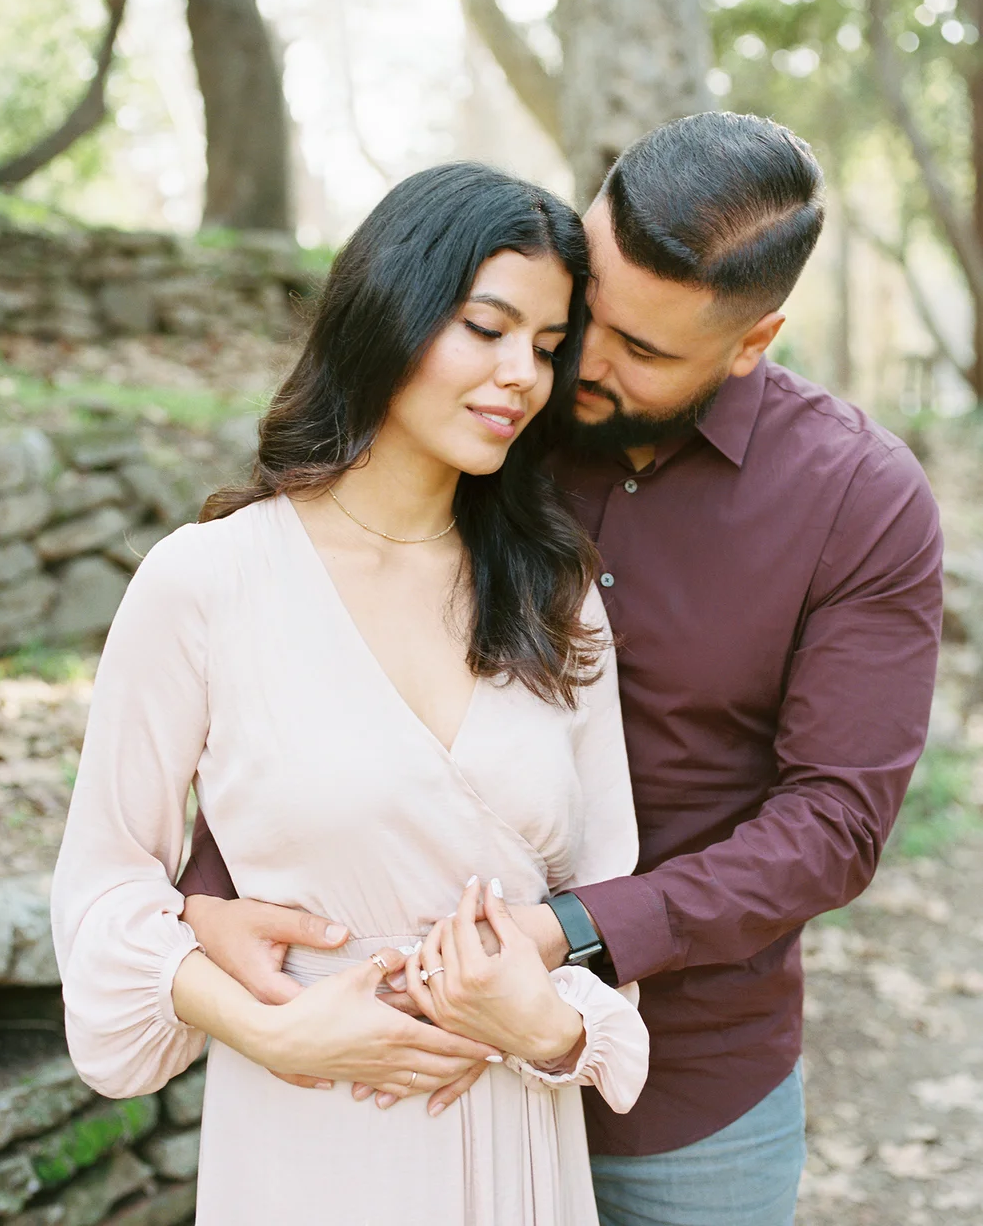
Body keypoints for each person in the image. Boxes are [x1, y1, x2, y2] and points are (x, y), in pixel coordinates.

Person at [181, 113, 944, 1226]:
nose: (576, 360)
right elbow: (299, 635)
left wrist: (566, 929)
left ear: (751, 340)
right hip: (406, 1075)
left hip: (684, 1097)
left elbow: (832, 823)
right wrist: (214, 886)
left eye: (641, 349)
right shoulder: (492, 400)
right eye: (589, 312)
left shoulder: (858, 502)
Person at [50, 163, 651, 1226]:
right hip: (307, 1127)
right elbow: (102, 888)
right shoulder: (206, 581)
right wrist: (265, 1026)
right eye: (486, 325)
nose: (521, 373)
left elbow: (604, 894)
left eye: (548, 347)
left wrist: (547, 1029)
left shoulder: (554, 592)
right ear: (391, 307)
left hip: (515, 1126)